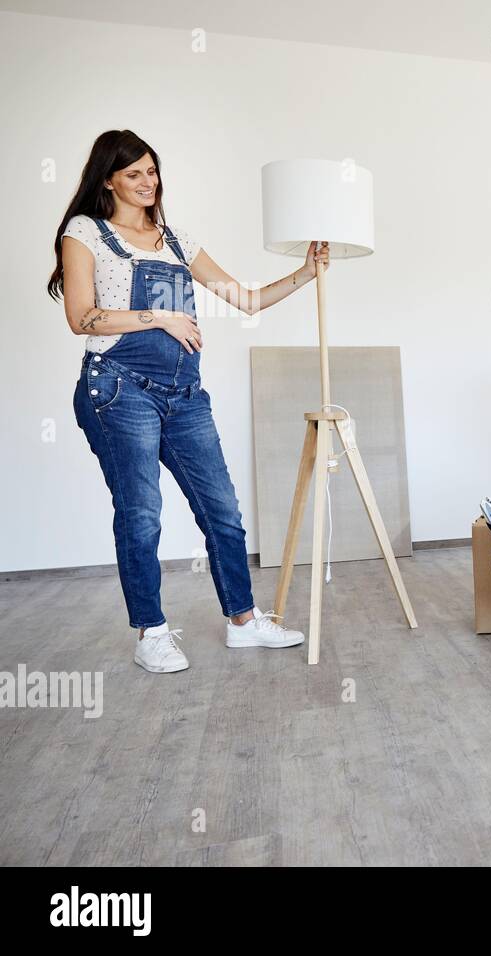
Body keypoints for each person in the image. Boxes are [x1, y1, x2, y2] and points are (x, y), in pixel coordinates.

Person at [48, 129, 330, 673]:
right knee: (142, 513)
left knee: (222, 509)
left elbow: (245, 300)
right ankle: (151, 632)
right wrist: (160, 316)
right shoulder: (85, 232)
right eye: (134, 174)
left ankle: (244, 623)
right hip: (117, 387)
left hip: (183, 394)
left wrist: (305, 271)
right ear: (107, 179)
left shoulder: (177, 239)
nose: (147, 182)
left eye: (152, 171)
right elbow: (81, 317)